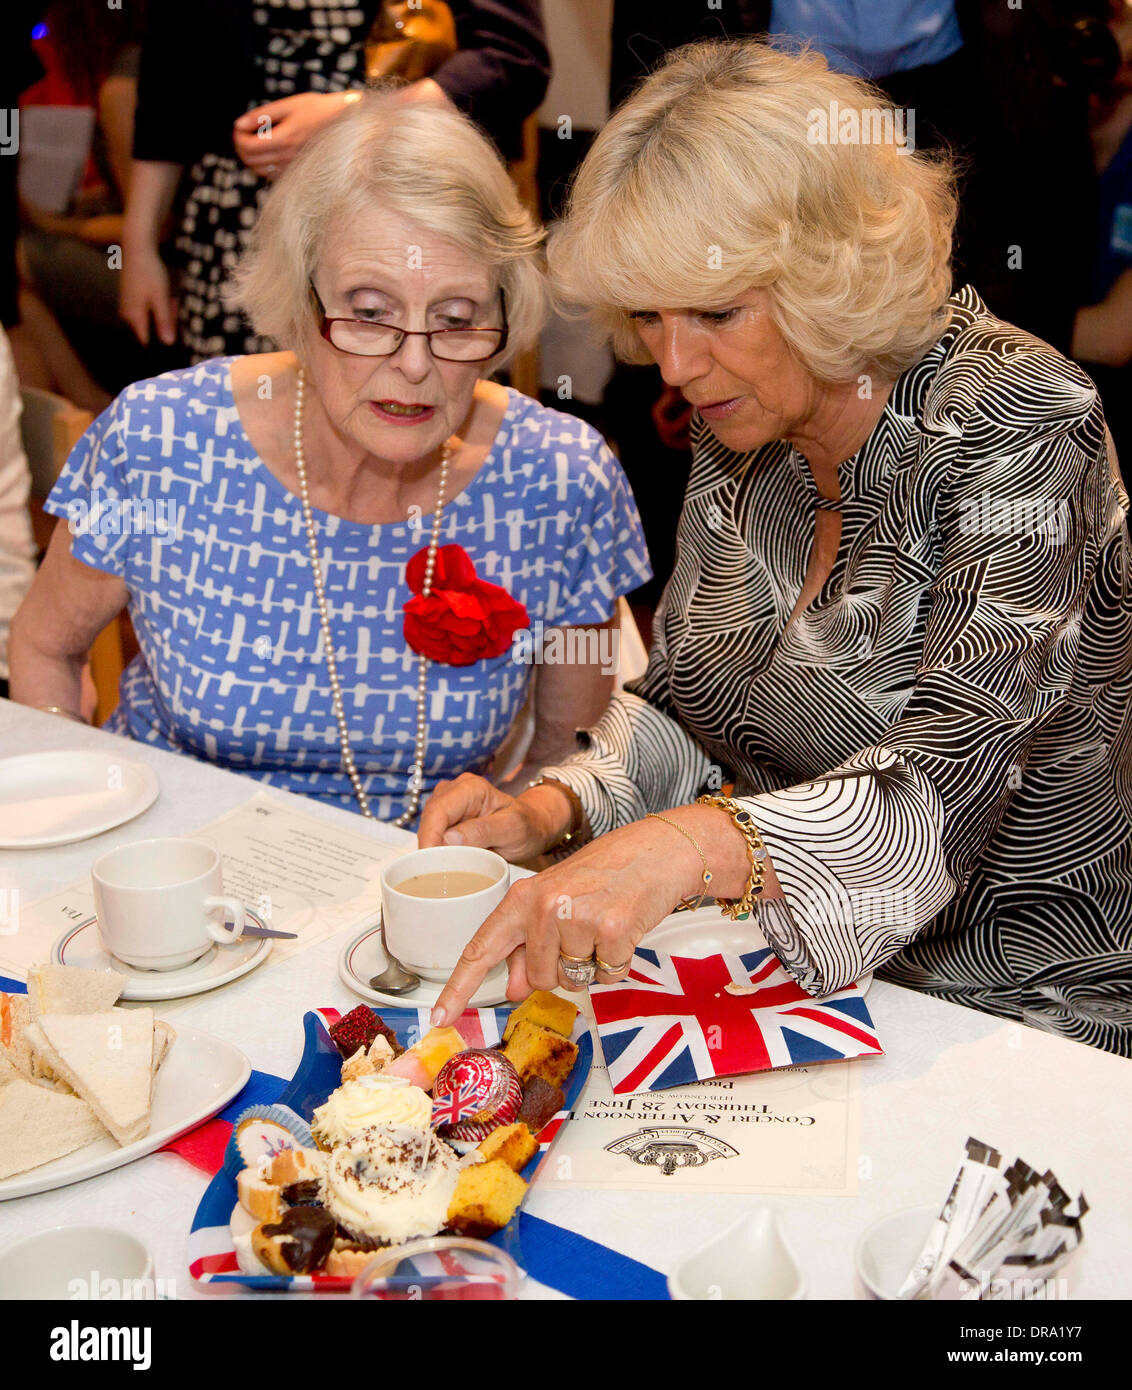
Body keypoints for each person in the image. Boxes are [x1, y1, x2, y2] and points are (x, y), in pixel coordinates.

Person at [421, 41, 1132, 1057]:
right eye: (652, 316)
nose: (673, 361)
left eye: (715, 311)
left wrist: (686, 847)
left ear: (825, 274)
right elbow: (688, 704)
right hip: (799, 982)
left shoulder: (1023, 420)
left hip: (1024, 1013)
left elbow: (944, 782)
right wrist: (551, 808)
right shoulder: (745, 415)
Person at [9, 95, 650, 824]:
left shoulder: (561, 481)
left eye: (456, 318)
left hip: (415, 888)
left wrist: (513, 832)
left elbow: (567, 760)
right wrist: (78, 815)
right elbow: (43, 648)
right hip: (174, 868)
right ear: (297, 299)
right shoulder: (161, 442)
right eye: (369, 312)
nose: (415, 364)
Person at [120, 0, 550, 361]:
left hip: (395, 195)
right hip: (236, 216)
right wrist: (138, 243)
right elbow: (166, 81)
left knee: (396, 378)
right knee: (250, 412)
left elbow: (512, 58)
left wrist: (356, 115)